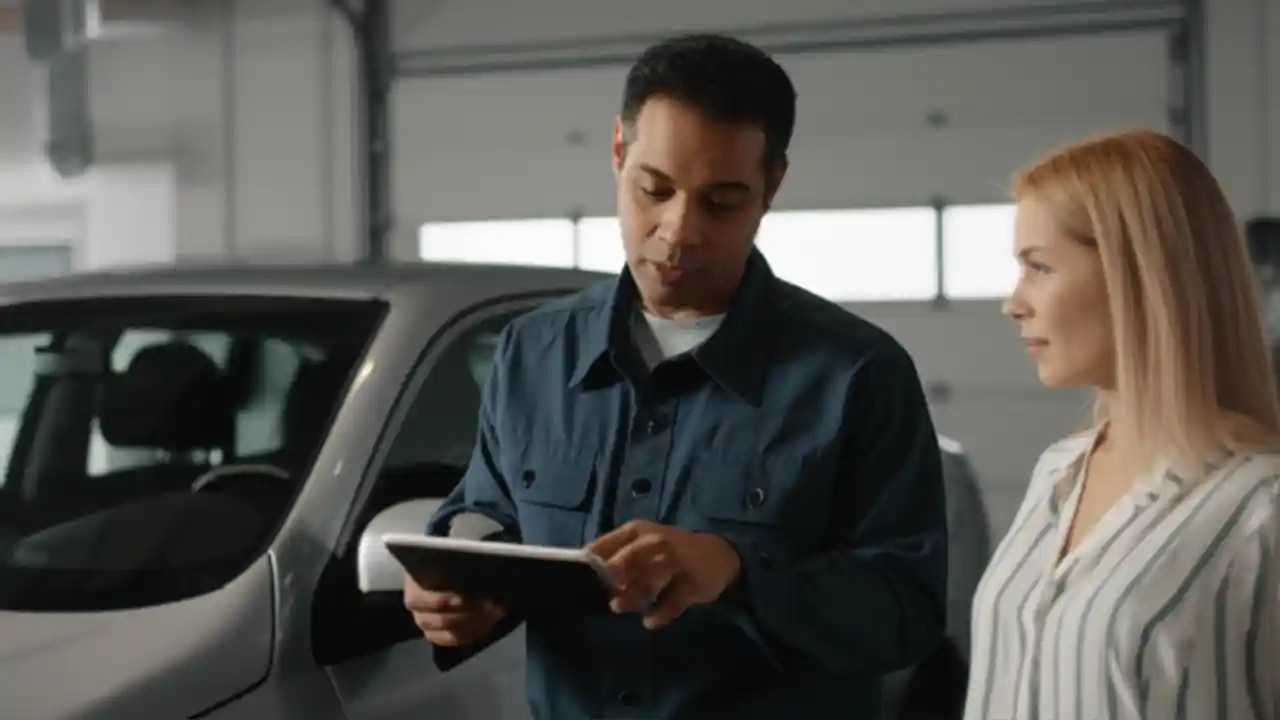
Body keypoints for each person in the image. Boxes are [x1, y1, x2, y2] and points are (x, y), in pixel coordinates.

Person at [404, 33, 949, 720]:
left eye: (721, 202)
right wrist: (460, 583)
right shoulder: (531, 353)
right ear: (616, 153)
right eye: (652, 190)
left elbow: (908, 612)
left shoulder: (858, 376)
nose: (678, 231)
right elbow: (488, 514)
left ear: (771, 186)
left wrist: (739, 571)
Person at [965, 128, 1280, 720]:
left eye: (1040, 268)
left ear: (1139, 274)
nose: (1014, 303)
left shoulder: (1263, 507)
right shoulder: (1059, 470)